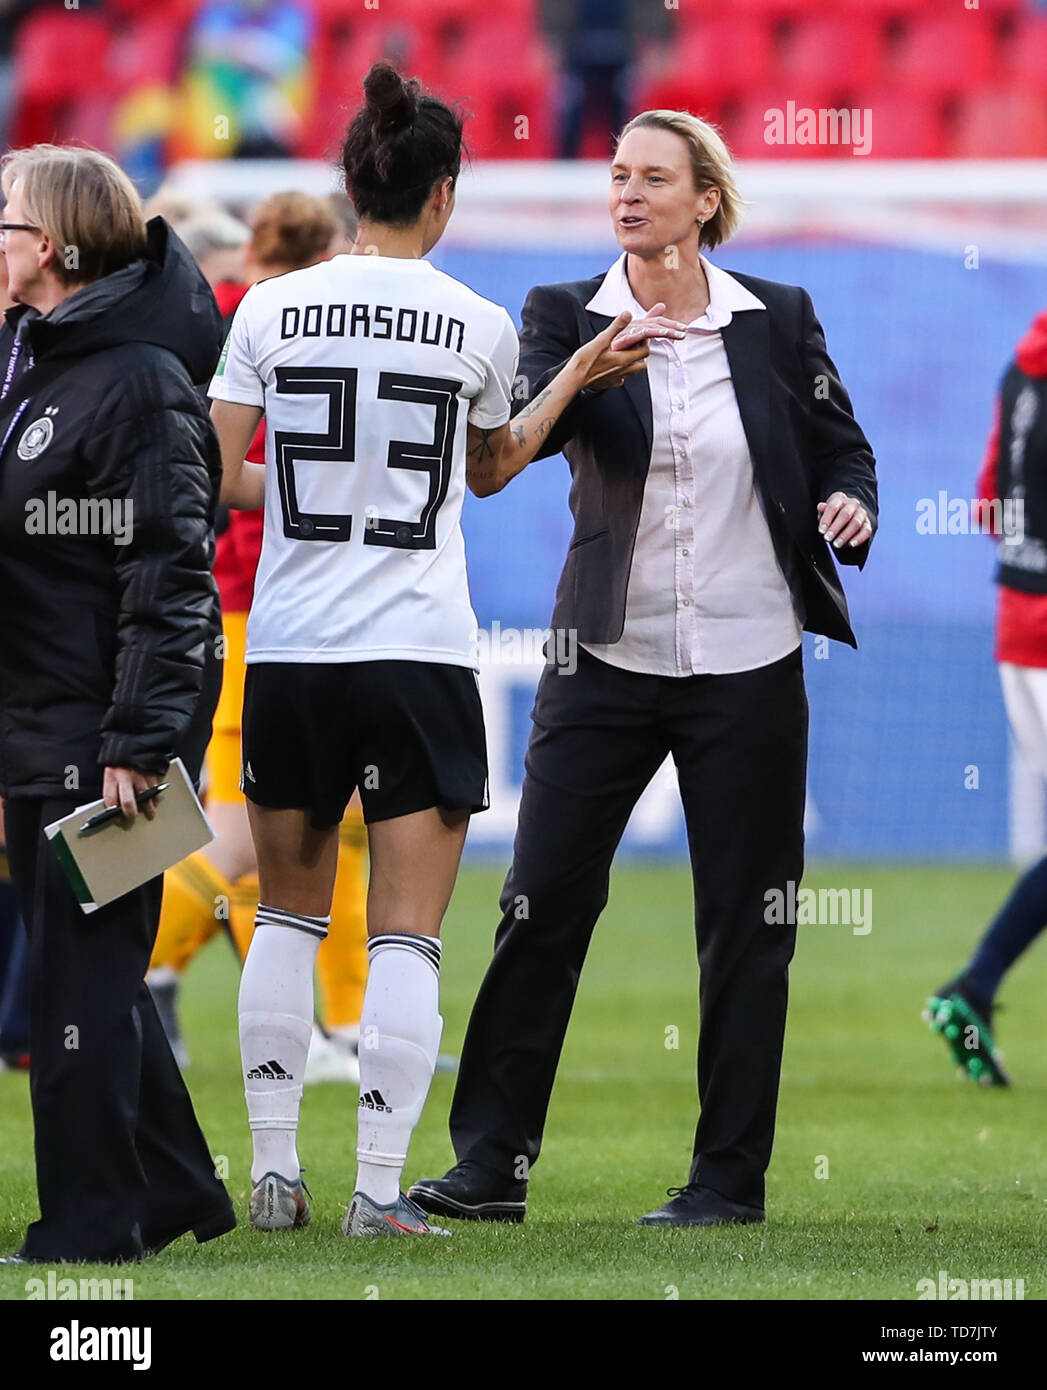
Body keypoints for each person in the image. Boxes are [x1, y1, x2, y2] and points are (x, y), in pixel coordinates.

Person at [410, 108, 878, 1229]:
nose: (628, 192)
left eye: (654, 177)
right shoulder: (566, 314)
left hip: (750, 664)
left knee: (748, 927)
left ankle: (727, 1182)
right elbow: (509, 447)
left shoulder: (781, 320)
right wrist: (583, 371)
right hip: (602, 661)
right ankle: (491, 1168)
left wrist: (851, 498)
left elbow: (839, 443)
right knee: (539, 905)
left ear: (704, 200)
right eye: (618, 174)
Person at [209, 62, 649, 1238]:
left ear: (354, 183)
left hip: (292, 650)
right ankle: (374, 1193)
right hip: (416, 653)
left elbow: (216, 473)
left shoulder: (266, 309)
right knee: (407, 929)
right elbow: (490, 469)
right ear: (442, 195)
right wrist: (573, 377)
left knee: (290, 918)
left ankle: (271, 1178)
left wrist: (308, 495)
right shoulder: (478, 324)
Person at [0, 143, 234, 1263]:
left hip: (102, 728)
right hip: (42, 711)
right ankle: (179, 1187)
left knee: (76, 976)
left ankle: (92, 1231)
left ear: (47, 246)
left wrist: (137, 743)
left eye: (3, 221)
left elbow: (168, 571)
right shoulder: (33, 358)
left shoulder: (136, 378)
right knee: (79, 954)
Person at [148, 191, 371, 1086]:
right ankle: (136, 965)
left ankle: (335, 1027)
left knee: (297, 826)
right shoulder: (258, 337)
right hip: (248, 616)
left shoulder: (237, 331)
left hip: (236, 613)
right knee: (231, 833)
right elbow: (235, 484)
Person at [925, 305, 1047, 1086]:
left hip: (1019, 630)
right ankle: (969, 988)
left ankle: (970, 990)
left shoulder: (1020, 364)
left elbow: (984, 506)